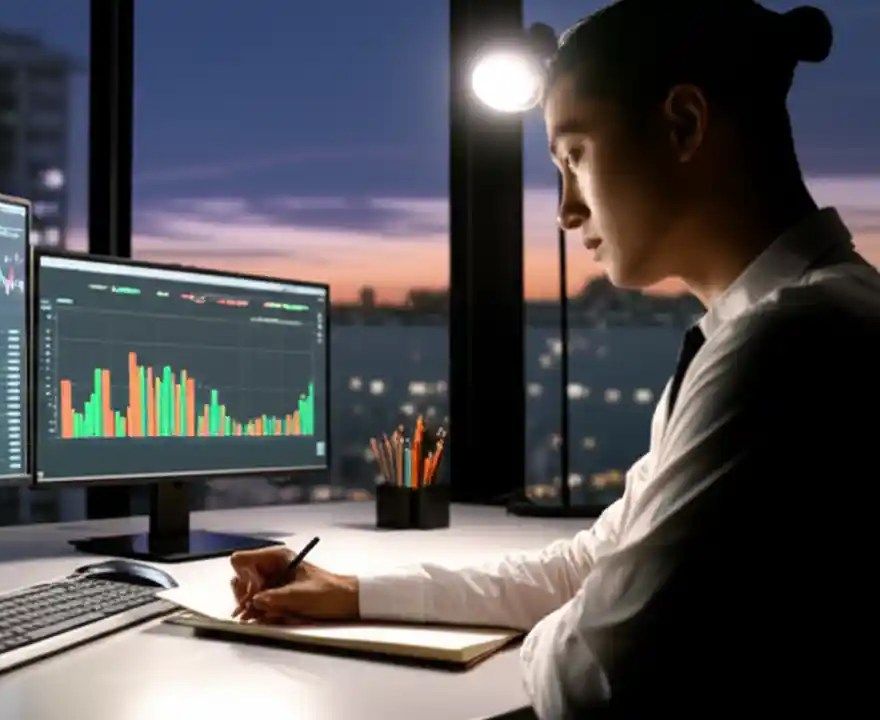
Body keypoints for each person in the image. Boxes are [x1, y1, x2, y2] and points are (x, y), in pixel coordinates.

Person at [230, 1, 880, 717]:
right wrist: (355, 593)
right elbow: (589, 565)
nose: (565, 210)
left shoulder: (788, 344)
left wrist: (562, 632)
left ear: (685, 126)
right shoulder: (780, 323)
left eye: (573, 156)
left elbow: (594, 677)